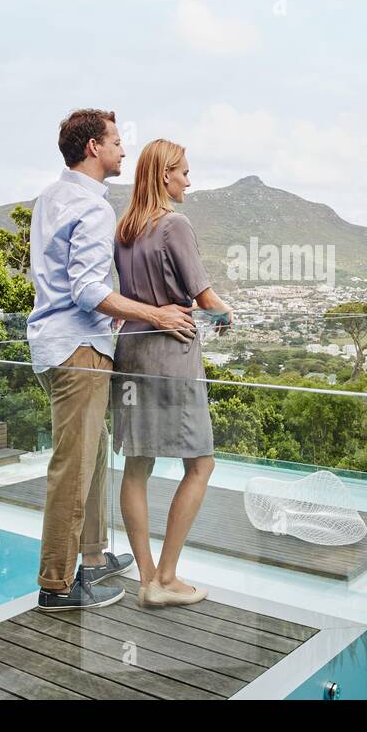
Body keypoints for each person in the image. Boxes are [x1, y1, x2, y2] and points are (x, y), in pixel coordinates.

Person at [27, 109, 196, 611]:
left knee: (92, 454)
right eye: (116, 142)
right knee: (74, 466)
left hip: (52, 345)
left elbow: (61, 281)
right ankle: (57, 585)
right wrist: (155, 315)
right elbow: (85, 289)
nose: (123, 150)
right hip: (79, 348)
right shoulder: (94, 210)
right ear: (92, 148)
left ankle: (93, 557)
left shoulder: (49, 198)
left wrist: (116, 313)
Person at [111, 138, 233, 607]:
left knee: (137, 464)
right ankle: (167, 576)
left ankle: (146, 580)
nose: (188, 179)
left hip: (132, 354)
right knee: (201, 463)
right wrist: (227, 316)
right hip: (172, 353)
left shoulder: (125, 229)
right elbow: (205, 299)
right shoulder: (174, 225)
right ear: (164, 175)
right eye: (183, 171)